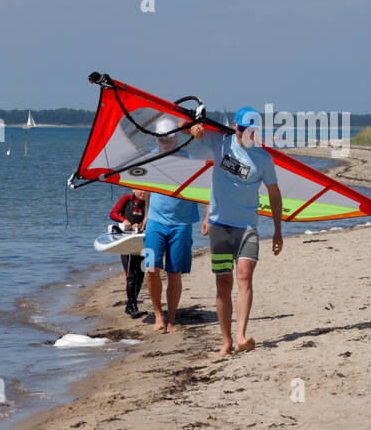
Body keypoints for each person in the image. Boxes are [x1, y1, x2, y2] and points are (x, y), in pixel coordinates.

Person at [189, 108, 284, 357]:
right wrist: (195, 127)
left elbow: (274, 194)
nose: (247, 134)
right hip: (219, 226)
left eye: (252, 130)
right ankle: (226, 340)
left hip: (247, 227)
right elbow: (191, 129)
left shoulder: (263, 158)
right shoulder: (221, 142)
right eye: (243, 129)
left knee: (244, 276)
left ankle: (241, 335)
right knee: (223, 282)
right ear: (235, 126)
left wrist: (278, 231)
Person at [140, 117, 206, 332]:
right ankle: (159, 314)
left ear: (175, 138)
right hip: (155, 223)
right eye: (160, 139)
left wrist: (207, 217)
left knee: (174, 272)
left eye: (167, 139)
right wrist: (146, 214)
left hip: (181, 224)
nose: (164, 143)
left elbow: (205, 190)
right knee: (150, 267)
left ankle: (171, 319)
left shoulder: (189, 159)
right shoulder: (150, 158)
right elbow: (146, 187)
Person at [108, 188, 148, 317]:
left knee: (141, 276)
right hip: (127, 242)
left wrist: (142, 224)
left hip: (143, 242)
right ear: (133, 189)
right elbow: (113, 213)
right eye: (140, 189)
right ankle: (132, 306)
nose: (143, 192)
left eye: (146, 190)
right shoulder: (127, 199)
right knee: (131, 275)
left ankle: (130, 305)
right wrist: (123, 220)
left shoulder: (149, 203)